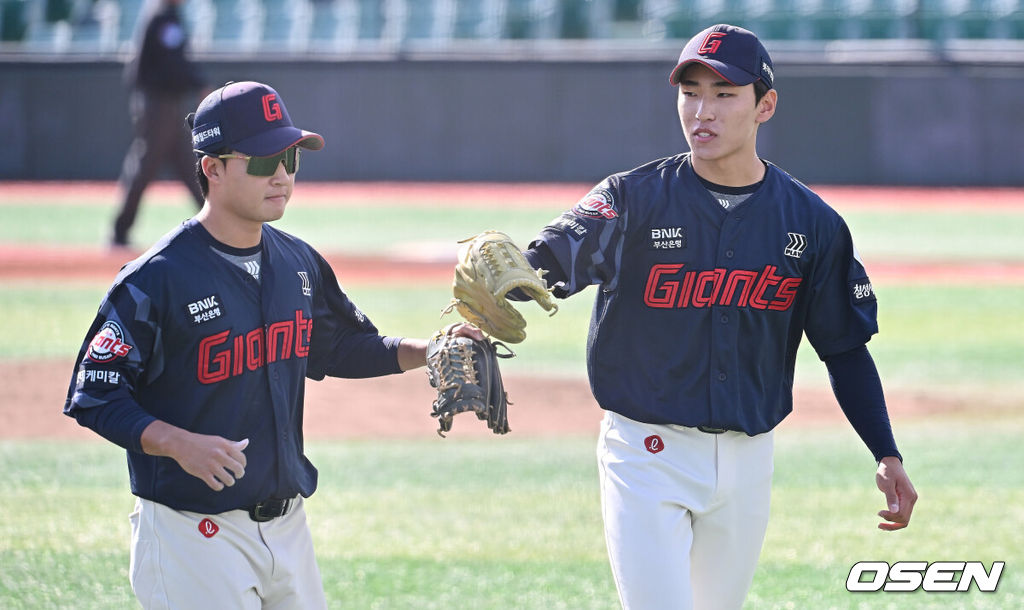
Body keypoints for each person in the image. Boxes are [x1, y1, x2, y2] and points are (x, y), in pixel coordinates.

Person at [513, 24, 918, 609]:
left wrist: (886, 452)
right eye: (690, 92)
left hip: (750, 460)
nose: (702, 111)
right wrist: (492, 296)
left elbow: (844, 348)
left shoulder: (812, 222)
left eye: (724, 94)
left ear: (765, 105)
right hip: (646, 454)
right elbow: (540, 269)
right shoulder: (631, 199)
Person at [64, 80, 482, 608]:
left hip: (289, 530)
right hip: (191, 536)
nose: (281, 175)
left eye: (290, 158)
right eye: (263, 160)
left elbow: (339, 345)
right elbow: (95, 394)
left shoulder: (297, 262)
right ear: (212, 168)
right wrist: (176, 443)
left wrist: (430, 350)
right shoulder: (157, 279)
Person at [112, 0, 207, 248]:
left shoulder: (167, 15)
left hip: (167, 103)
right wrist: (199, 82)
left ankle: (219, 224)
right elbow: (172, 64)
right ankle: (119, 231)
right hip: (157, 104)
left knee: (189, 167)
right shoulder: (162, 17)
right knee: (147, 164)